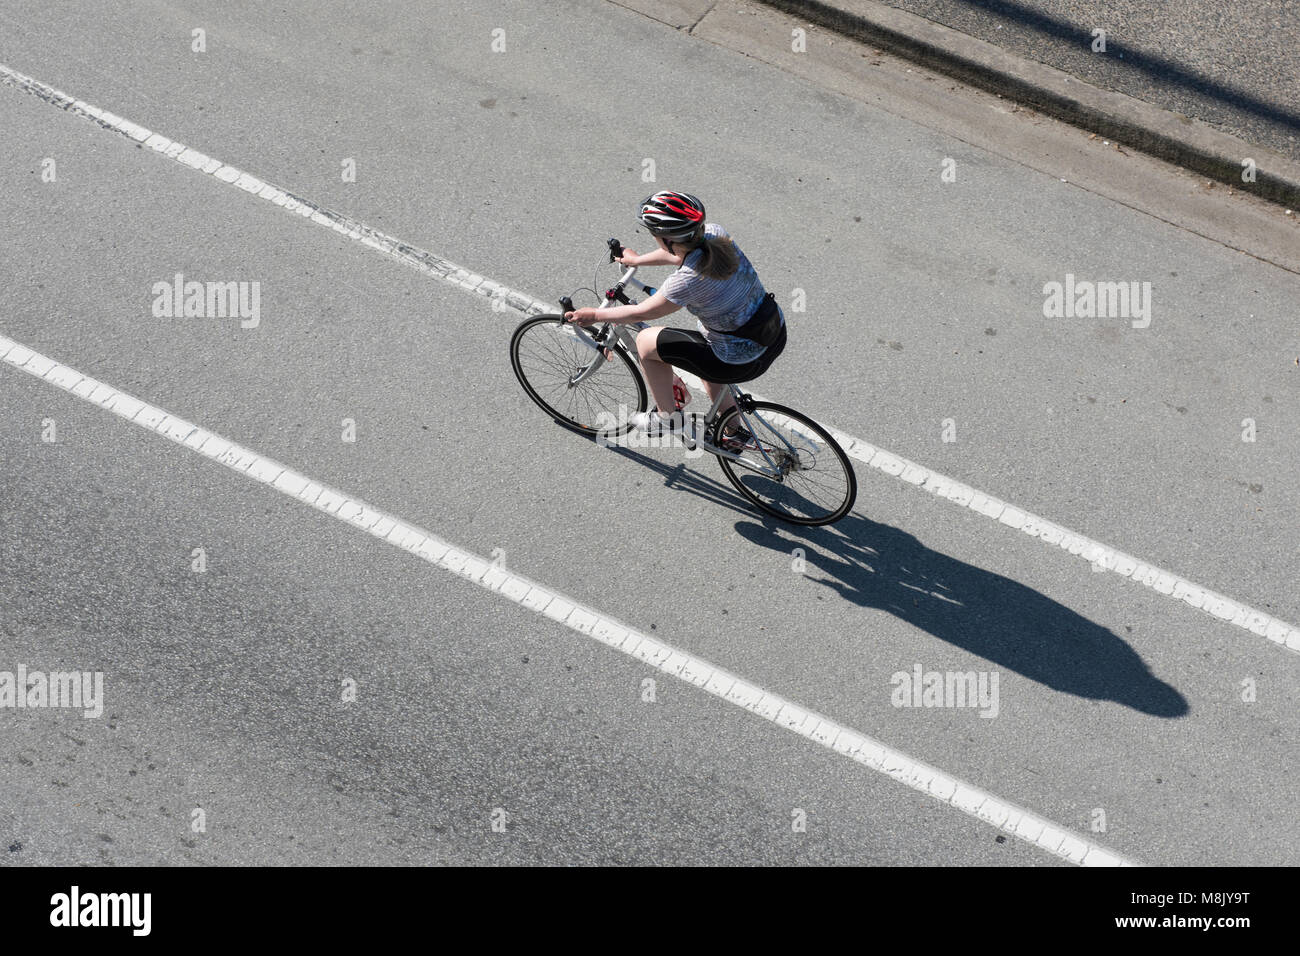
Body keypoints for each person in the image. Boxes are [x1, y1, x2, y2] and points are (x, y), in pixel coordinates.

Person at [563, 190, 786, 448]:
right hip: (772, 334)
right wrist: (637, 260)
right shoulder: (716, 235)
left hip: (738, 361)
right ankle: (732, 431)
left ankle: (666, 418)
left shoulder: (686, 281)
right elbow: (681, 253)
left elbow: (641, 313)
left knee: (646, 341)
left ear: (667, 239)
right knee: (705, 358)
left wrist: (594, 315)